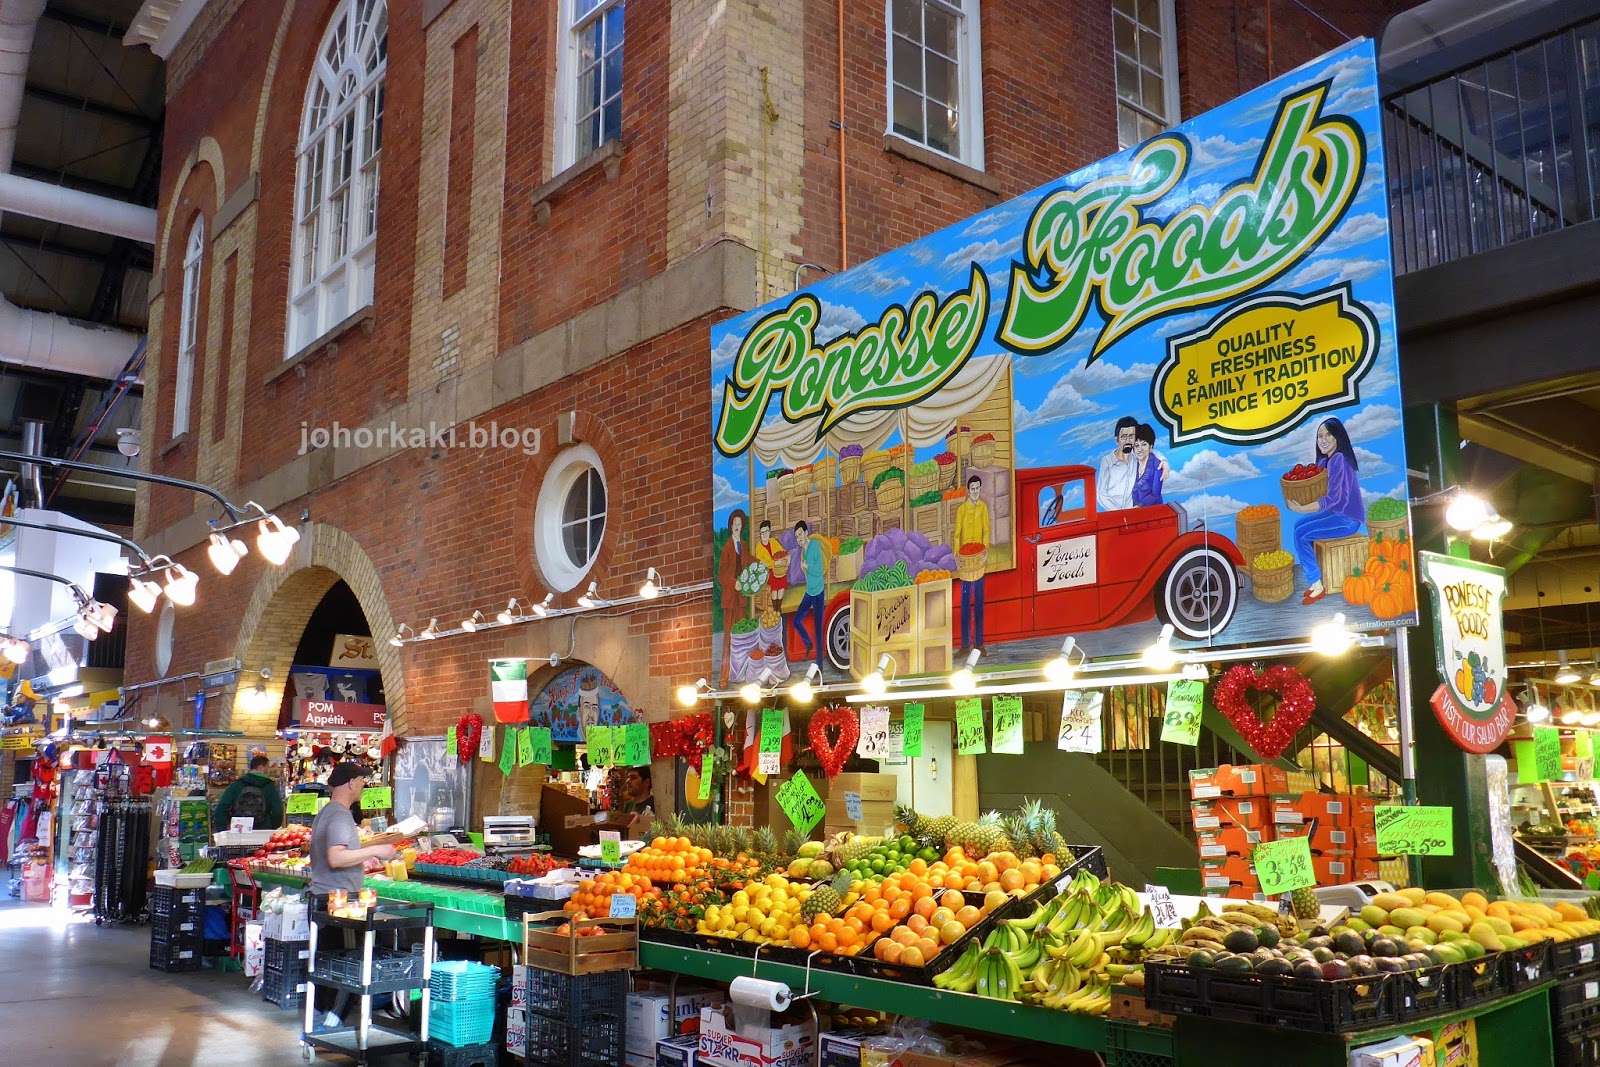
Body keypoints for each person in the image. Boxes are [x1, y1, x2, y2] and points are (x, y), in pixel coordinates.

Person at [308, 763, 398, 1029]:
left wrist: (363, 855)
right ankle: (334, 1019)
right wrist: (378, 851)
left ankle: (321, 1014)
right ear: (350, 783)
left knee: (328, 960)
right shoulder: (339, 816)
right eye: (361, 780)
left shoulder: (326, 812)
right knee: (351, 959)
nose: (363, 785)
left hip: (323, 896)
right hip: (340, 900)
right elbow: (336, 857)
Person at [1286, 417, 1364, 604]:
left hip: (1347, 519)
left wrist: (1304, 508)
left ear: (1338, 436)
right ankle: (1315, 581)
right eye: (1320, 436)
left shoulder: (1338, 459)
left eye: (1329, 434)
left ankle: (1317, 584)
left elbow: (1334, 499)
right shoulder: (1325, 461)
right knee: (1298, 526)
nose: (1323, 439)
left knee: (1302, 533)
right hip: (1335, 514)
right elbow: (1315, 482)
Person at [953, 474, 991, 651]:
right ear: (968, 490)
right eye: (973, 489)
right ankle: (965, 645)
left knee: (980, 604)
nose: (975, 491)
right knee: (965, 603)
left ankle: (979, 643)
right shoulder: (962, 509)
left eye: (977, 488)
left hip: (979, 560)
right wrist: (956, 555)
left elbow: (986, 530)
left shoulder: (983, 507)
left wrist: (985, 551)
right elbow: (957, 534)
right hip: (966, 561)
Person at [212, 754, 284, 831]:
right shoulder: (270, 786)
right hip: (263, 828)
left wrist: (222, 829)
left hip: (240, 829)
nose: (267, 771)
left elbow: (221, 808)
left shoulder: (236, 785)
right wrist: (273, 826)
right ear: (261, 768)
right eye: (267, 768)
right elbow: (278, 811)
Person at [717, 509, 748, 686]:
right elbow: (721, 575)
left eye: (739, 523)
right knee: (728, 636)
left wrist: (761, 562)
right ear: (730, 526)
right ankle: (724, 675)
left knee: (742, 634)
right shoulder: (727, 547)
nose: (737, 526)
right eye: (734, 523)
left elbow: (747, 559)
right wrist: (733, 582)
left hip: (741, 597)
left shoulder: (742, 545)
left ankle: (742, 672)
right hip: (730, 597)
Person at [792, 521, 827, 672]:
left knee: (818, 629)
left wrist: (806, 567)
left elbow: (818, 571)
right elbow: (807, 576)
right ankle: (808, 643)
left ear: (806, 532)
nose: (798, 538)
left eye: (800, 534)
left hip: (818, 592)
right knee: (796, 621)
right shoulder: (803, 553)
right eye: (796, 536)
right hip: (809, 591)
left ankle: (819, 665)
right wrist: (805, 569)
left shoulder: (814, 546)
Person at [752, 519, 789, 641]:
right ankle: (776, 609)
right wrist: (774, 563)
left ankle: (778, 609)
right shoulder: (759, 546)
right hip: (768, 571)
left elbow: (782, 552)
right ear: (760, 533)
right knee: (774, 583)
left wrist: (785, 559)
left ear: (770, 531)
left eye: (766, 531)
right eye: (762, 532)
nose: (764, 534)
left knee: (782, 580)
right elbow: (763, 562)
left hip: (778, 569)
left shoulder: (773, 542)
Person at [1097, 416, 1140, 511]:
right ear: (1117, 440)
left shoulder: (1138, 457)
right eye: (1124, 437)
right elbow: (1101, 494)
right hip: (1115, 515)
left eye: (1131, 436)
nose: (1128, 441)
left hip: (1134, 515)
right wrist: (1121, 513)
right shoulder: (1107, 461)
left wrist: (1164, 462)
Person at [1131, 423, 1167, 507]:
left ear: (1151, 446)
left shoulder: (1157, 465)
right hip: (1136, 514)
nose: (1140, 449)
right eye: (1136, 445)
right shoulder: (1133, 466)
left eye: (1144, 444)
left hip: (1154, 512)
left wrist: (1138, 507)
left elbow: (1155, 495)